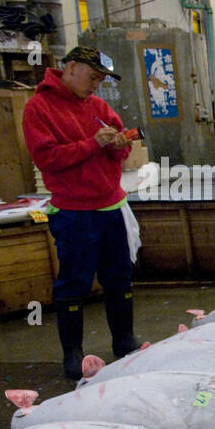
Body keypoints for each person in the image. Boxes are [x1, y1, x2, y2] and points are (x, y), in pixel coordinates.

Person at [22, 45, 138, 379]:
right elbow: (47, 158)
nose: (96, 85)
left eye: (101, 79)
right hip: (74, 212)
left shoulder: (100, 107)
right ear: (71, 67)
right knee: (74, 283)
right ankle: (72, 354)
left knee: (120, 276)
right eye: (93, 77)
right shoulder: (39, 108)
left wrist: (120, 145)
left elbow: (123, 146)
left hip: (112, 207)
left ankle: (124, 341)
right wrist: (93, 144)